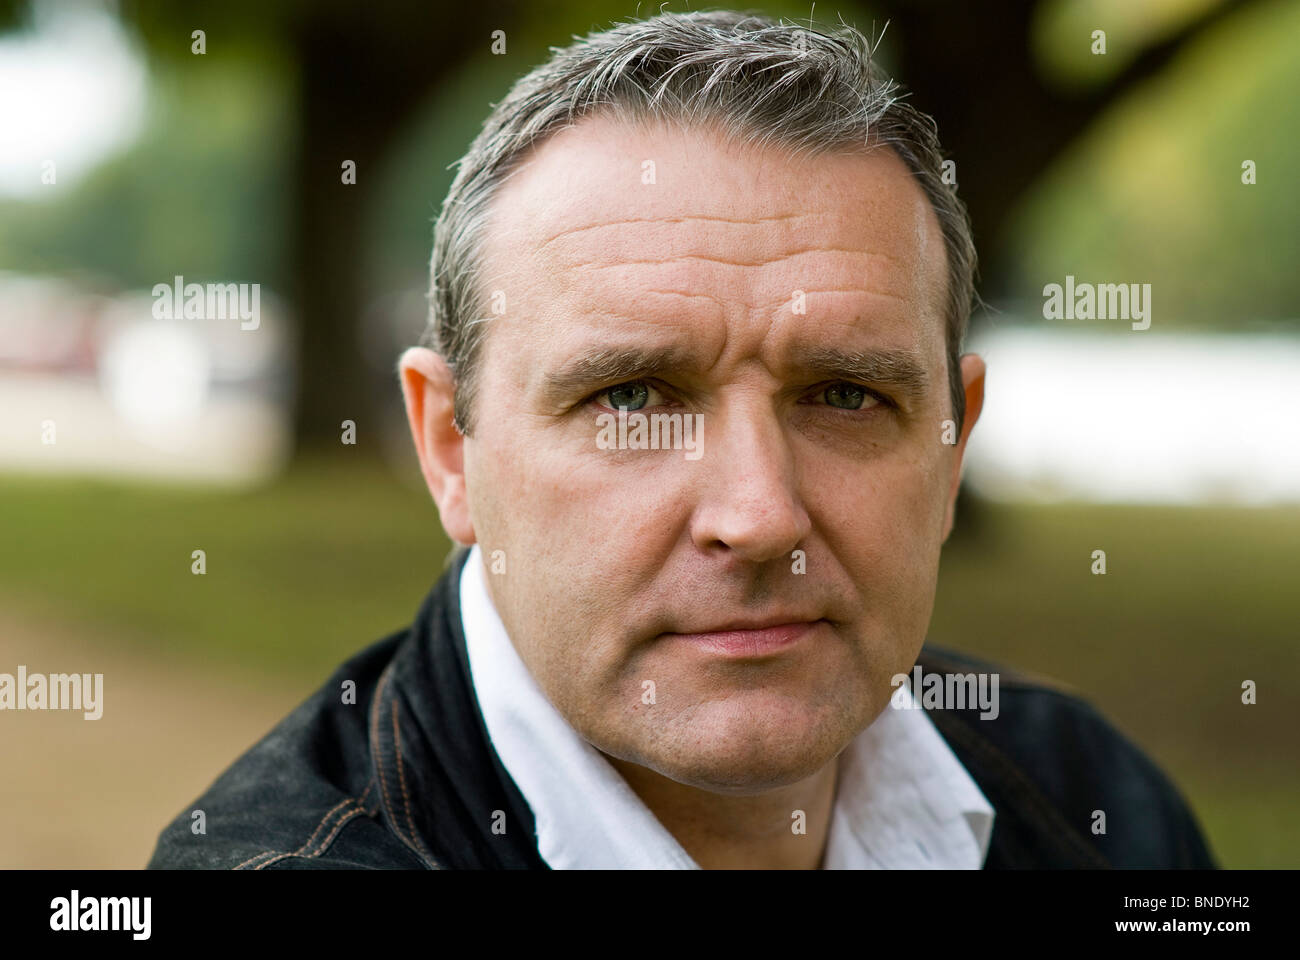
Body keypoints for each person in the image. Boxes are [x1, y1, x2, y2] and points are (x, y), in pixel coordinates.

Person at [148, 9, 1215, 870]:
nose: (757, 518)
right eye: (629, 398)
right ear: (450, 450)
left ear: (950, 447)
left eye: (843, 395)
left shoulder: (1095, 801)